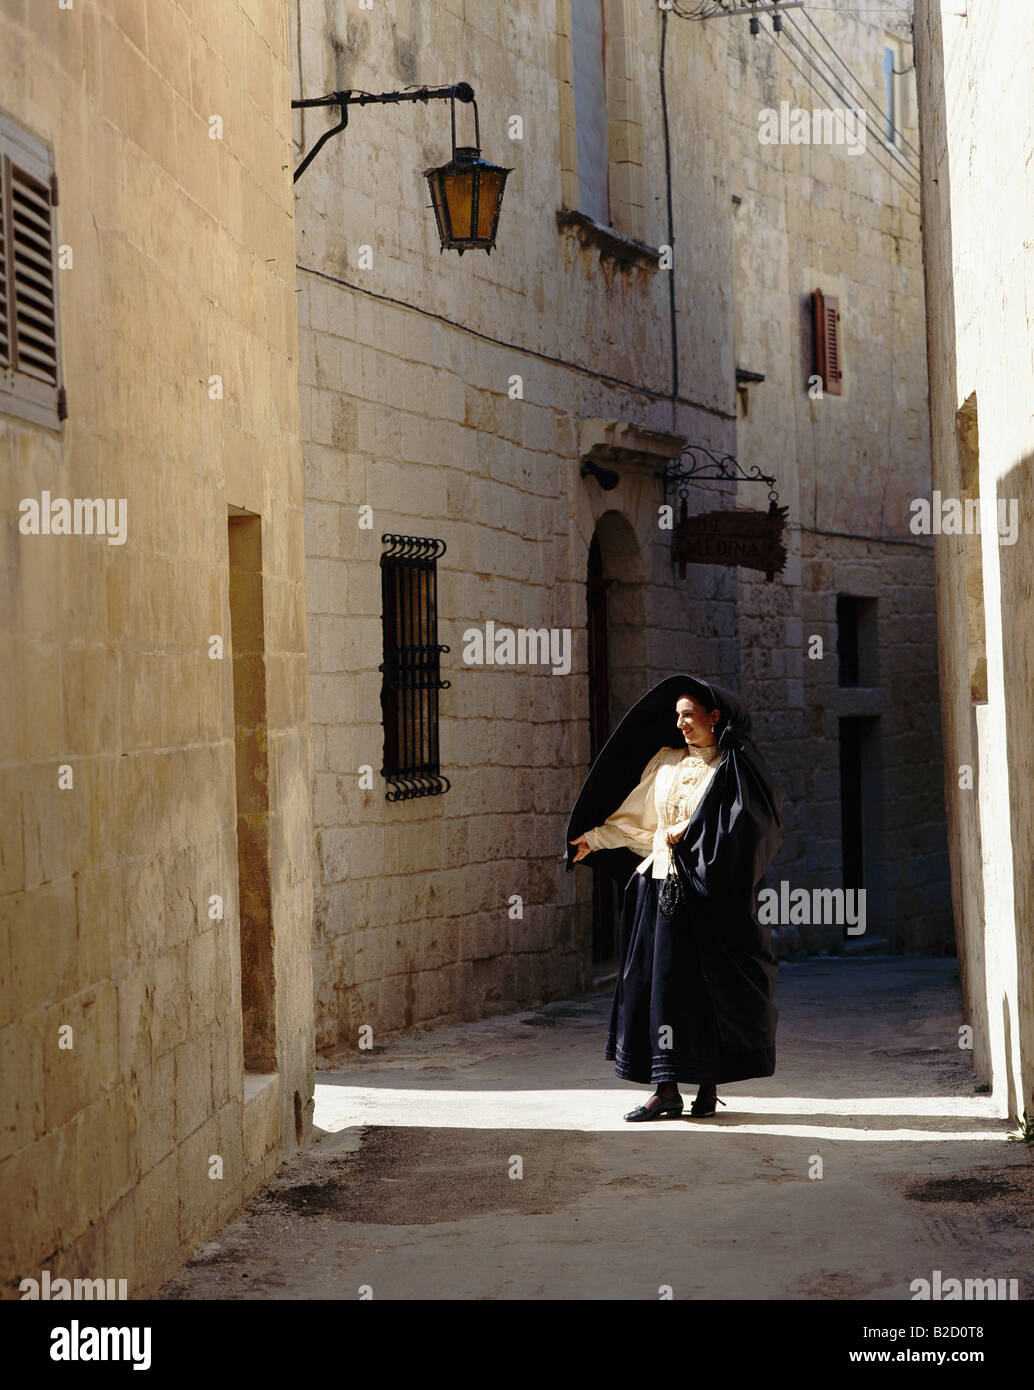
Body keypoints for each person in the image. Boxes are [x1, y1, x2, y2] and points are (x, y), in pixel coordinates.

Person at [566, 674, 784, 1121]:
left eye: (689, 715)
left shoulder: (735, 769)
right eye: (677, 716)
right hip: (659, 888)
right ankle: (665, 1089)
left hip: (711, 897)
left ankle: (708, 1085)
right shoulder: (666, 763)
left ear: (714, 717)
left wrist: (697, 832)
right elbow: (639, 819)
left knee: (707, 987)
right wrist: (595, 838)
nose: (681, 724)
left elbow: (750, 830)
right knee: (656, 985)